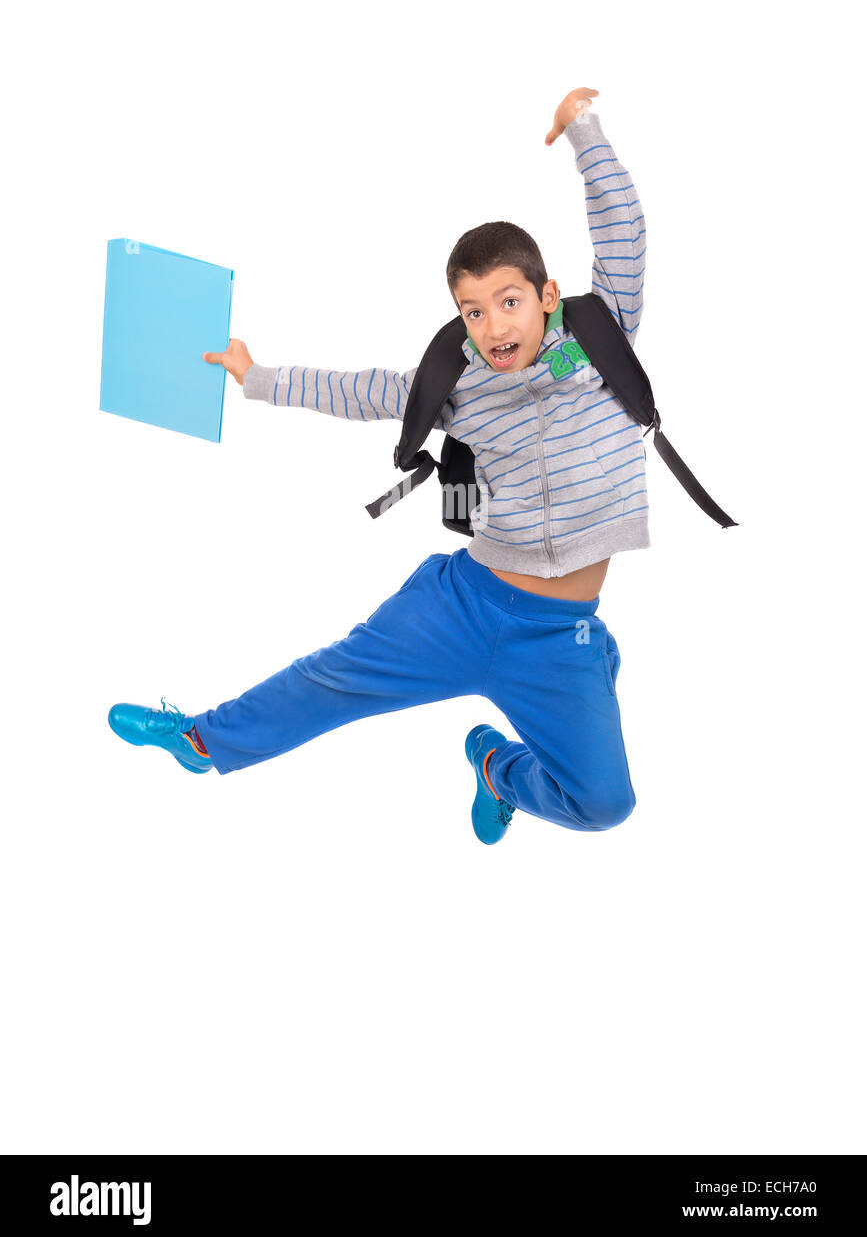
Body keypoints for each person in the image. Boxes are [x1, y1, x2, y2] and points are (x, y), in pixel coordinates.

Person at [108, 86, 647, 845]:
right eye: (472, 309)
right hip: (463, 605)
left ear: (546, 295)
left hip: (560, 636)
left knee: (604, 804)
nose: (493, 325)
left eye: (509, 301)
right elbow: (363, 392)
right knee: (335, 678)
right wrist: (258, 377)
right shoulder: (459, 383)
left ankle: (496, 770)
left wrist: (580, 130)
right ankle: (200, 739)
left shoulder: (602, 336)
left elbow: (622, 225)